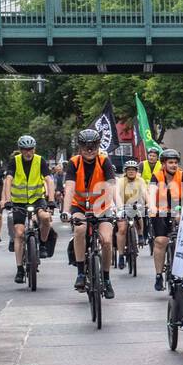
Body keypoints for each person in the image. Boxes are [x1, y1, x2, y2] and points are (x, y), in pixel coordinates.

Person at [63, 127, 119, 299]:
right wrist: (65, 211)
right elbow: (70, 188)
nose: (89, 150)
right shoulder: (74, 162)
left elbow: (111, 185)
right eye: (86, 146)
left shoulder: (104, 161)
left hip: (102, 207)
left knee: (107, 240)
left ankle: (107, 279)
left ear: (97, 146)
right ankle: (81, 273)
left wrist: (118, 207)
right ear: (80, 147)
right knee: (80, 230)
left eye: (93, 146)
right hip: (79, 206)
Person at [0, 135, 55, 283]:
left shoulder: (40, 160)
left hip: (37, 198)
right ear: (20, 150)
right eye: (25, 149)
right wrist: (7, 200)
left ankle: (43, 244)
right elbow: (8, 180)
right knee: (19, 233)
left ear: (34, 149)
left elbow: (49, 179)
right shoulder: (14, 162)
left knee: (45, 218)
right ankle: (19, 269)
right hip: (18, 201)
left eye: (30, 149)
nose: (28, 152)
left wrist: (51, 200)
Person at [147, 148, 183, 291]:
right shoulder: (157, 176)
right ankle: (158, 275)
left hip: (177, 210)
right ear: (163, 164)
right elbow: (151, 193)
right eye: (170, 162)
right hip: (160, 211)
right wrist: (152, 207)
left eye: (175, 162)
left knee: (182, 241)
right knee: (161, 241)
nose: (174, 165)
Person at [117, 159, 148, 267]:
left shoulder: (140, 180)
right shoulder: (120, 181)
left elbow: (144, 193)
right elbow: (117, 193)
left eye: (133, 170)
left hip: (136, 205)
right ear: (125, 171)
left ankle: (140, 235)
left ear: (136, 171)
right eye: (129, 170)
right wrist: (119, 207)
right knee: (122, 229)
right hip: (123, 206)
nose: (131, 172)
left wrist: (148, 203)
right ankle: (120, 256)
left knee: (139, 215)